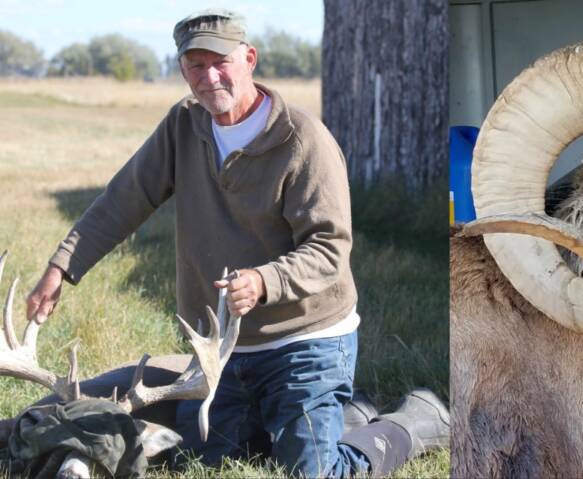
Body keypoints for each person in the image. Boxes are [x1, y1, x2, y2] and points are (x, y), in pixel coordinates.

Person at [25, 8, 448, 478]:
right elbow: (123, 201)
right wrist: (63, 265)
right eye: (194, 65)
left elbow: (330, 248)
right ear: (182, 69)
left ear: (249, 58)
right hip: (221, 352)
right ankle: (342, 414)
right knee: (206, 463)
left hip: (305, 342)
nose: (209, 77)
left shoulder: (302, 140)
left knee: (313, 472)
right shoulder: (184, 126)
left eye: (220, 62)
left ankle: (416, 422)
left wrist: (264, 281)